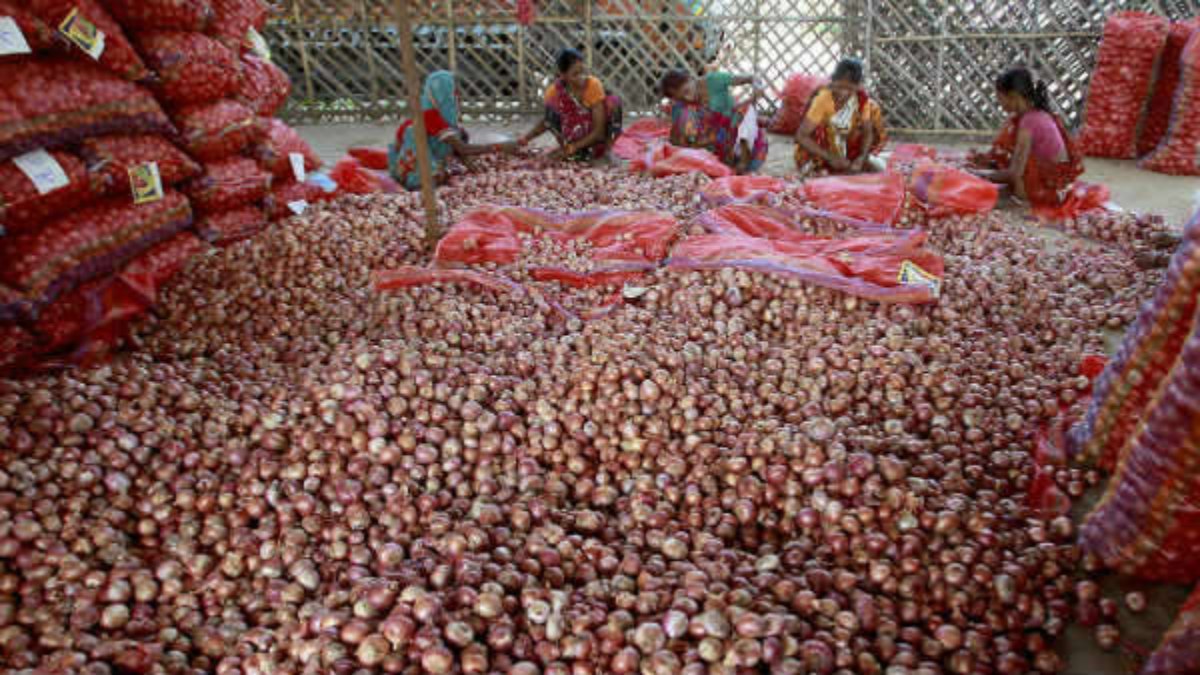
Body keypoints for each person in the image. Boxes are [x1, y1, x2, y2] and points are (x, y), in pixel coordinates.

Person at [968, 67, 1082, 208]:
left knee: (996, 183)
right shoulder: (1036, 114)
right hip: (1055, 181)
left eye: (999, 97)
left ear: (1014, 96)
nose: (999, 102)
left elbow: (1015, 172)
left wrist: (979, 175)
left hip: (1051, 187)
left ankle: (1023, 199)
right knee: (1003, 167)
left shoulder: (1029, 122)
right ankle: (1019, 191)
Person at [389, 71, 516, 190]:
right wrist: (499, 147)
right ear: (442, 93)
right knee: (439, 175)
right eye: (453, 92)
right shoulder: (428, 115)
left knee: (459, 135)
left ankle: (432, 172)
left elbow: (460, 148)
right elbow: (462, 148)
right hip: (408, 166)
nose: (456, 96)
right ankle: (417, 179)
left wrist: (476, 170)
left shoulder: (446, 119)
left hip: (431, 158)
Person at [519, 49, 623, 161]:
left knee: (614, 102)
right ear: (562, 75)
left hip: (595, 139)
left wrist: (573, 147)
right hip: (574, 139)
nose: (581, 77)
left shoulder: (593, 85)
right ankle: (577, 153)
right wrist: (524, 139)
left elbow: (599, 131)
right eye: (575, 74)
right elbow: (547, 122)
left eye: (583, 72)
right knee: (552, 114)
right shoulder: (554, 92)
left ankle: (608, 153)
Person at [660, 68, 768, 174]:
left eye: (686, 91)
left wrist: (758, 86)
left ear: (691, 78)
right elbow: (678, 141)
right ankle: (722, 164)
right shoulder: (680, 108)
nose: (687, 98)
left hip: (737, 139)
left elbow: (752, 77)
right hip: (715, 150)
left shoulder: (714, 80)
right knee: (685, 112)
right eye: (681, 98)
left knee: (747, 109)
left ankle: (743, 160)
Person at [794, 58, 887, 176]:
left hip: (846, 150)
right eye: (839, 86)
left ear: (857, 86)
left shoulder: (860, 99)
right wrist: (829, 157)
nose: (843, 93)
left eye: (849, 89)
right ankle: (820, 165)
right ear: (832, 81)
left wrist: (862, 157)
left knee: (871, 115)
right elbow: (801, 136)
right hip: (823, 151)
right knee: (819, 129)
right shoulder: (822, 99)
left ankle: (853, 162)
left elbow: (868, 133)